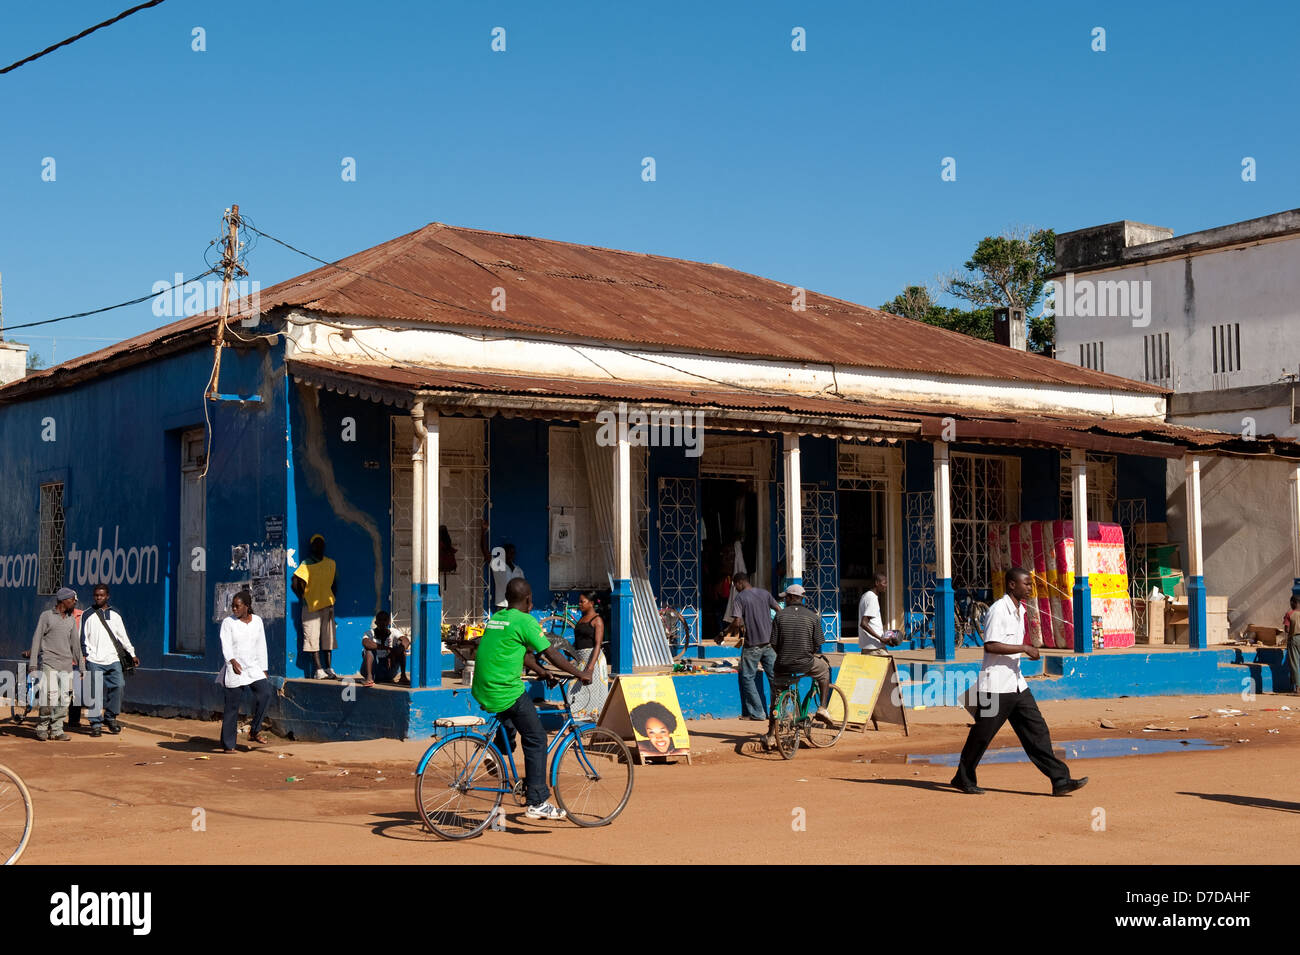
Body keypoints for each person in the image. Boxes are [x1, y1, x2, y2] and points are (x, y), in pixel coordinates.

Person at [951, 567, 1087, 796]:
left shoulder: (1020, 610)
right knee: (982, 735)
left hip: (1016, 684)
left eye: (1030, 583)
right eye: (1026, 583)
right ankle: (963, 778)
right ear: (1012, 584)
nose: (1029, 587)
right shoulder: (998, 610)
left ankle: (1060, 780)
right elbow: (990, 645)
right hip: (995, 686)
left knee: (1037, 731)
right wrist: (1024, 648)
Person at [471, 577, 591, 820]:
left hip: (484, 687)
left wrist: (542, 672)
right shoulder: (525, 620)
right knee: (536, 738)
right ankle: (537, 801)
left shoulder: (497, 619)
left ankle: (496, 750)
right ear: (528, 600)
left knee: (514, 719)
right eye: (531, 599)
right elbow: (551, 652)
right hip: (504, 689)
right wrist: (582, 674)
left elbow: (524, 656)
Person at [762, 584, 833, 749]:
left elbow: (774, 644)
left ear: (790, 598)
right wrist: (806, 653)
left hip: (783, 664)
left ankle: (771, 735)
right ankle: (822, 708)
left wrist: (785, 654)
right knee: (823, 671)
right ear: (801, 599)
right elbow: (817, 644)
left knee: (777, 697)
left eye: (785, 597)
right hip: (805, 662)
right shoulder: (813, 617)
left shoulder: (780, 616)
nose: (784, 600)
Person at [79, 584, 139, 738]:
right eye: (96, 595)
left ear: (107, 596)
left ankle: (110, 717)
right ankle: (95, 723)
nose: (99, 598)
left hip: (113, 659)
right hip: (94, 660)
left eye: (102, 595)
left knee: (119, 685)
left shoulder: (115, 615)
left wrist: (132, 654)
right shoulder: (87, 615)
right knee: (95, 692)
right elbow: (82, 637)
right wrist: (86, 655)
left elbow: (123, 636)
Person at [218, 590, 273, 753]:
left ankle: (254, 730)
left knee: (266, 694)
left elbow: (261, 645)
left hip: (253, 667)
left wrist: (263, 668)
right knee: (232, 706)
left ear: (247, 607)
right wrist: (232, 661)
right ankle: (228, 744)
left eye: (237, 606)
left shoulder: (257, 621)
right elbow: (225, 644)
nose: (234, 609)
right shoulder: (228, 623)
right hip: (235, 668)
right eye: (232, 606)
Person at [28, 587, 84, 742]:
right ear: (64, 600)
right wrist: (33, 665)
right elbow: (36, 640)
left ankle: (57, 730)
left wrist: (81, 666)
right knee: (48, 696)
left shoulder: (71, 619)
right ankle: (42, 727)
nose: (74, 602)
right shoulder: (46, 616)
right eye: (73, 600)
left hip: (66, 665)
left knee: (64, 699)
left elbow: (75, 646)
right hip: (49, 663)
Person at [726, 573, 781, 721]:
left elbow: (737, 622)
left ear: (739, 583)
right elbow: (778, 609)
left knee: (747, 677)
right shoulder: (764, 593)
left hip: (753, 645)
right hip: (769, 643)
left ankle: (758, 713)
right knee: (775, 678)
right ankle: (778, 712)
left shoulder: (740, 598)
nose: (735, 589)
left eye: (734, 586)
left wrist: (724, 632)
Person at [292, 534, 339, 679]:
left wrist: (330, 597)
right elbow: (295, 582)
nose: (318, 546)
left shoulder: (331, 563)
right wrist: (304, 596)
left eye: (321, 543)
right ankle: (319, 670)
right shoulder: (306, 563)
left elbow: (335, 583)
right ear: (312, 546)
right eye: (315, 544)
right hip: (310, 606)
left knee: (328, 637)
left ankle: (329, 668)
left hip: (328, 605)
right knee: (312, 637)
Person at [568, 591, 609, 719]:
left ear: (591, 603)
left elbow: (597, 645)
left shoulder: (597, 620)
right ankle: (581, 721)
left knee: (594, 693)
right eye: (579, 601)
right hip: (582, 661)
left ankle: (594, 723)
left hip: (594, 661)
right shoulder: (581, 619)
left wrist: (590, 669)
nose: (579, 604)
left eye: (582, 601)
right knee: (574, 691)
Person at [482, 522, 525, 610]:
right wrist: (483, 532)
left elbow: (523, 589)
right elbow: (485, 551)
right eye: (508, 552)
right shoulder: (497, 565)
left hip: (517, 606)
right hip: (502, 605)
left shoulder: (518, 570)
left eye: (512, 553)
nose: (511, 555)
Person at [360, 611, 409, 687]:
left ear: (389, 622)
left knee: (401, 647)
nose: (382, 622)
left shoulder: (394, 632)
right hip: (373, 670)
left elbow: (406, 641)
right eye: (380, 620)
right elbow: (365, 643)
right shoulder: (369, 633)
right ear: (376, 622)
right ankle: (369, 679)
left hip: (388, 671)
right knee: (369, 649)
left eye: (385, 620)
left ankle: (403, 676)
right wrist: (387, 648)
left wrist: (394, 652)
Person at [859, 571, 902, 653]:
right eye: (884, 583)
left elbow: (871, 623)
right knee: (889, 665)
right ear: (877, 583)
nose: (886, 585)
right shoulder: (872, 598)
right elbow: (864, 623)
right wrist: (881, 639)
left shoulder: (865, 596)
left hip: (868, 647)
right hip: (875, 647)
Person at [1285, 595, 1300, 695]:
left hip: (1294, 639)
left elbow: (1286, 629)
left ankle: (1298, 689)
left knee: (1295, 664)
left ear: (1293, 603)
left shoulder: (1289, 614)